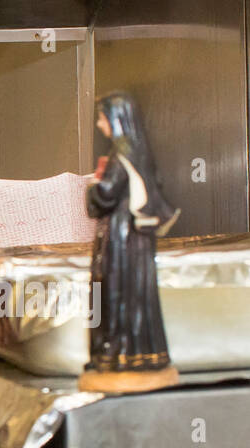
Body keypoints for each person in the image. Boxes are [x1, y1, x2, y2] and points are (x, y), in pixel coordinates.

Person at [83, 91, 181, 387]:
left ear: (116, 119)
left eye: (102, 118)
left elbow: (106, 194)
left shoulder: (121, 151)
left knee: (114, 291)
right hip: (137, 239)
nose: (100, 125)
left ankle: (116, 353)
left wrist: (91, 188)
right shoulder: (140, 150)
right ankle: (142, 352)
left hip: (121, 237)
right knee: (136, 294)